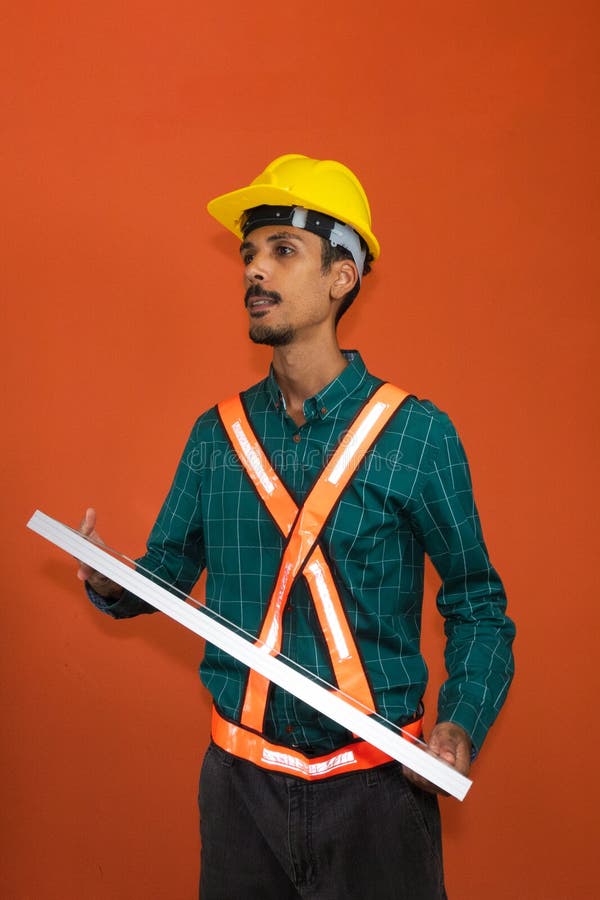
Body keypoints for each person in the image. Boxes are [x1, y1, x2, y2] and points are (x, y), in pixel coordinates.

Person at [78, 154, 515, 899]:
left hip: (378, 797)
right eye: (249, 255)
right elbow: (167, 573)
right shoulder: (217, 436)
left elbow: (478, 605)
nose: (254, 271)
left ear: (342, 277)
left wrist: (460, 723)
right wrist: (111, 579)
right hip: (239, 793)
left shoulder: (417, 435)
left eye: (283, 251)